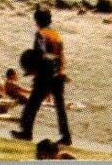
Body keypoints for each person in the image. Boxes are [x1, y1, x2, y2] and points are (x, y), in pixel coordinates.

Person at [15, 8, 70, 147]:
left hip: (46, 72)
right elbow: (61, 55)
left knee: (33, 103)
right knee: (60, 107)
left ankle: (26, 132)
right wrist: (62, 72)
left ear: (37, 20)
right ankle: (66, 136)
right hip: (58, 72)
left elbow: (40, 53)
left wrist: (33, 70)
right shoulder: (56, 35)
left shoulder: (40, 34)